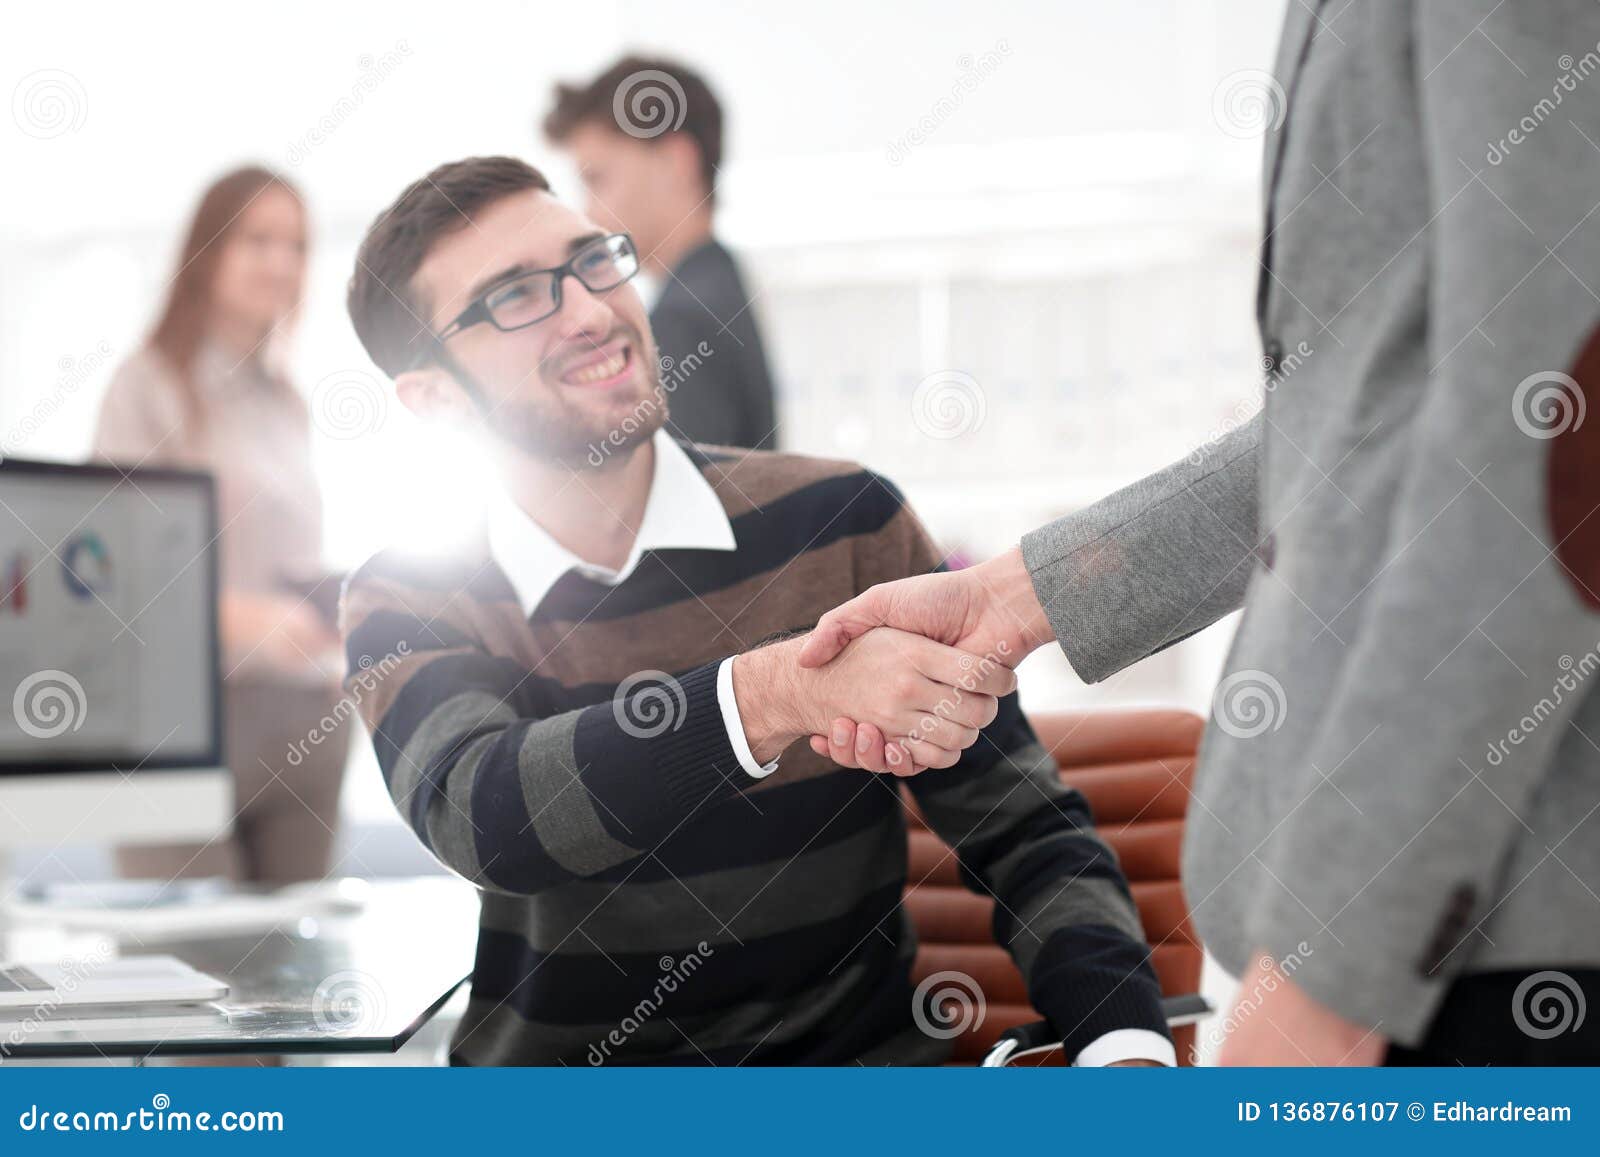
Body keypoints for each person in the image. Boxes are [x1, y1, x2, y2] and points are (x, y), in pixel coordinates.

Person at [799, 0, 1600, 1067]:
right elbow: (1351, 423)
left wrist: (1337, 973)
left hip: (1500, 956)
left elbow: (1546, 440)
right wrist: (1009, 599)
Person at [339, 155, 1171, 1066]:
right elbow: (487, 814)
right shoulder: (408, 595)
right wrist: (774, 697)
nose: (589, 309)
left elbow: (1025, 831)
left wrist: (1124, 1048)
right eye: (515, 298)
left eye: (594, 262)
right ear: (434, 398)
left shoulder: (844, 522)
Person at [93, 166, 346, 884]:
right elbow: (114, 570)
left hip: (301, 718)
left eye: (296, 245)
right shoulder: (148, 385)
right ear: (208, 252)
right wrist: (244, 619)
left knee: (291, 972)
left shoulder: (286, 401)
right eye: (258, 239)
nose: (282, 262)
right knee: (186, 972)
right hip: (181, 724)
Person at [543, 55, 778, 451]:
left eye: (598, 179)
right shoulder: (718, 282)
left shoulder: (680, 321)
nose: (588, 212)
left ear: (676, 161)